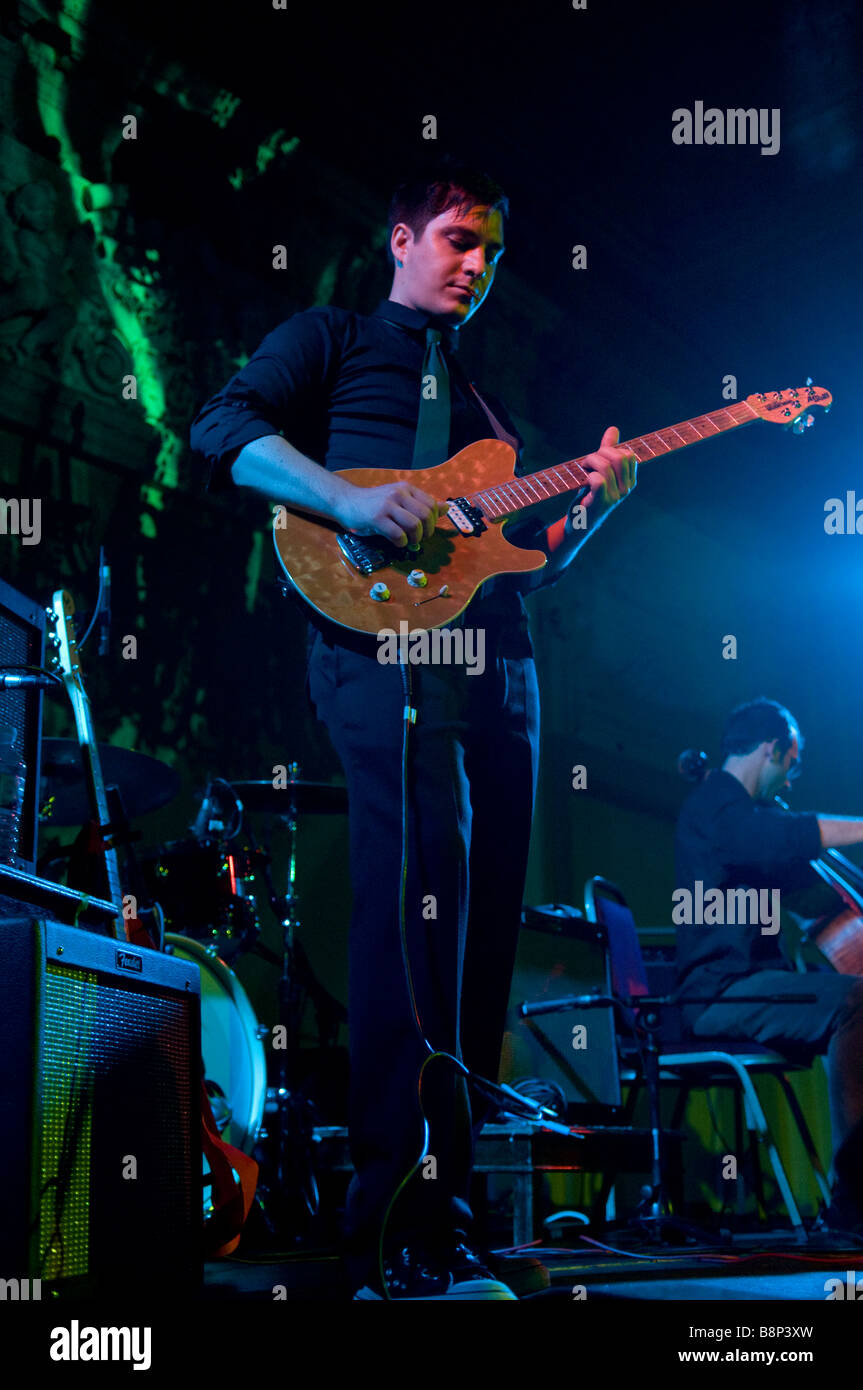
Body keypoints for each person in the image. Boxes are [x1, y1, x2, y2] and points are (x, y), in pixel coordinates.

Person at [190, 157, 637, 1299]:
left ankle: (452, 1209)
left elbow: (520, 571)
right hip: (376, 646)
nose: (475, 267)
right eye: (455, 240)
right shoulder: (331, 338)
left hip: (496, 666)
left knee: (482, 917)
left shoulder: (488, 417)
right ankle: (389, 1208)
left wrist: (584, 517)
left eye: (489, 250)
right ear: (399, 238)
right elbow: (219, 426)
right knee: (414, 901)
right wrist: (345, 499)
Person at [674, 698, 863, 1232]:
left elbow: (804, 882)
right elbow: (782, 836)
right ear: (771, 749)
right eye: (791, 766)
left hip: (747, 987)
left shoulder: (747, 821)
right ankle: (853, 1197)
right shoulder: (715, 805)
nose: (788, 782)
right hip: (717, 993)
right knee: (856, 1001)